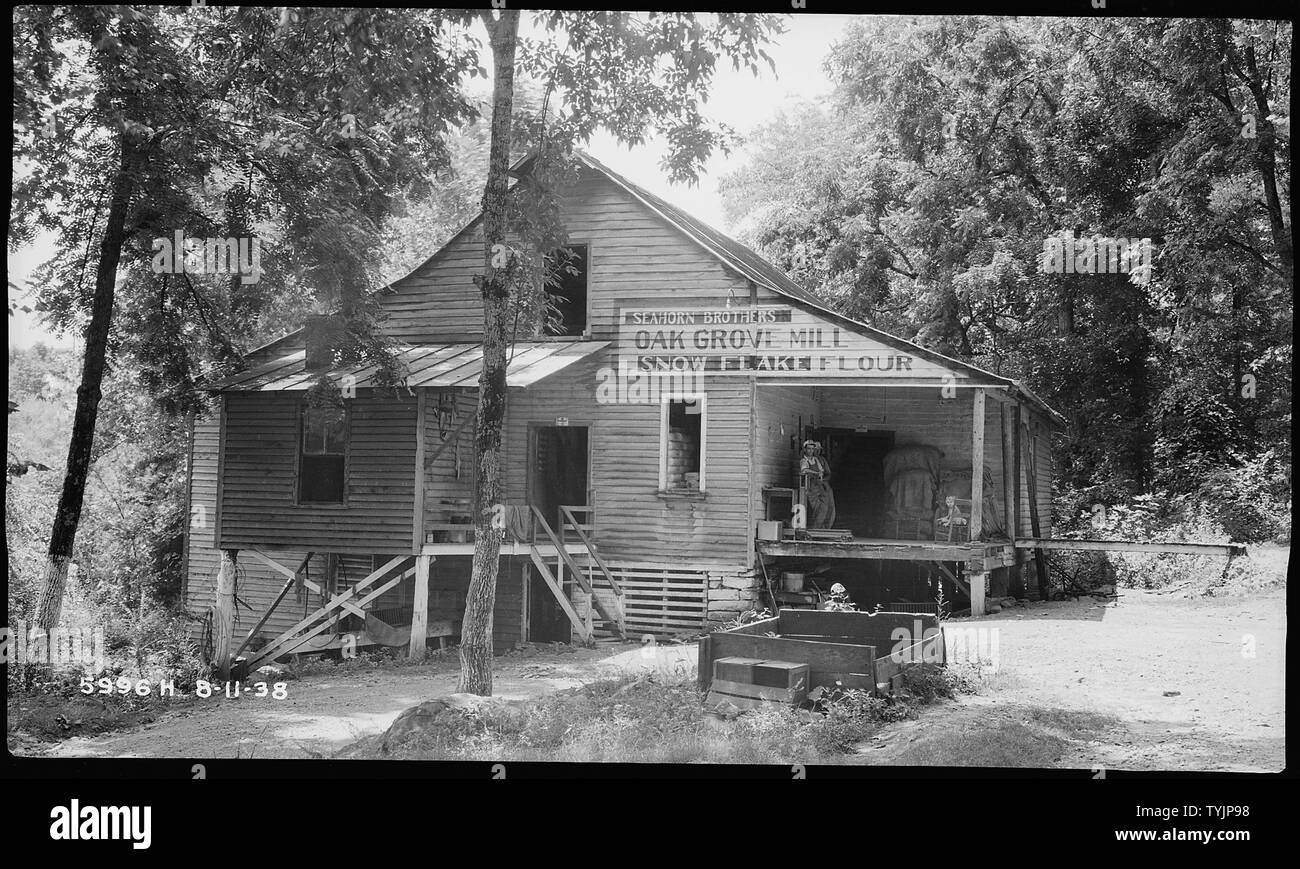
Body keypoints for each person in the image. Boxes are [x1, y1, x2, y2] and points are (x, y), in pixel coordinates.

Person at [799, 439, 836, 529]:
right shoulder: (804, 460)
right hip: (811, 488)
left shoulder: (817, 459)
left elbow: (822, 471)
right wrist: (815, 473)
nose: (811, 451)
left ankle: (823, 529)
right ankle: (816, 529)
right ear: (805, 450)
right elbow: (804, 470)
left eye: (813, 449)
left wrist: (820, 476)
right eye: (809, 449)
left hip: (819, 486)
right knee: (817, 509)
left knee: (825, 507)